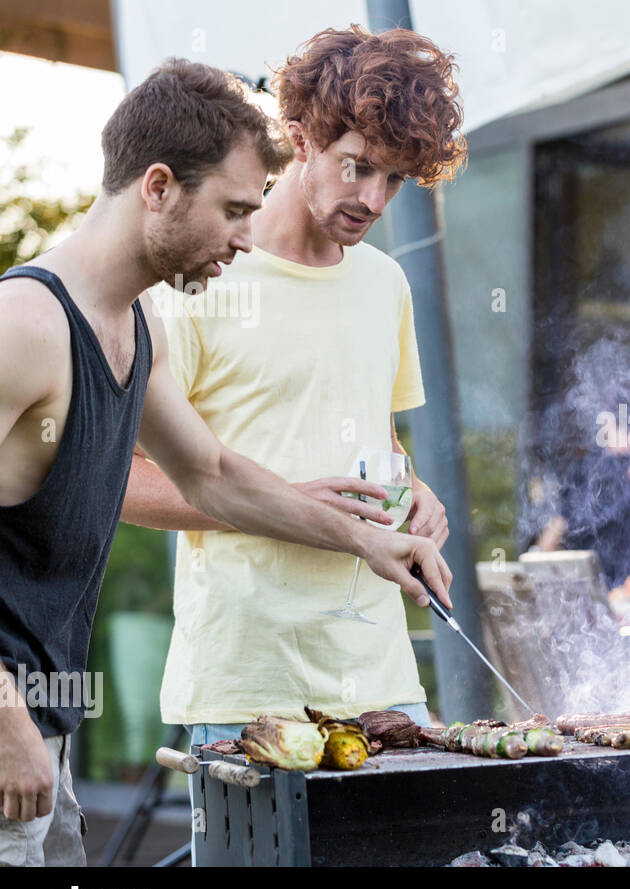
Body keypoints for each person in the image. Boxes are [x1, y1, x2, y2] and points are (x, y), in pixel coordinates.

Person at [0, 59, 453, 867]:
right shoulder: (24, 323)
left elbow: (210, 473)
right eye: (235, 211)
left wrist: (369, 538)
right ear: (159, 187)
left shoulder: (136, 328)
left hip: (46, 730)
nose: (245, 239)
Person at [121, 25, 466, 750]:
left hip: (384, 681)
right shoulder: (198, 277)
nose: (374, 199)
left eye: (395, 179)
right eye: (357, 167)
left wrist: (414, 490)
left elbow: (375, 434)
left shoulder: (386, 283)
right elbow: (119, 479)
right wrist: (279, 501)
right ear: (301, 138)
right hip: (247, 685)